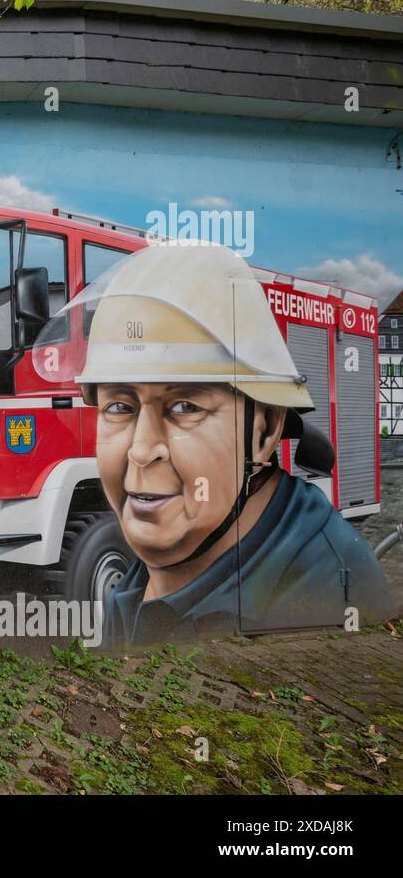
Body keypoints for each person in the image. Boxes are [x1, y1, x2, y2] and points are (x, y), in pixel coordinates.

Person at [35, 242, 387, 648]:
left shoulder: (324, 592)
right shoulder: (145, 580)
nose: (141, 449)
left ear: (263, 429)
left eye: (184, 406)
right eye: (119, 406)